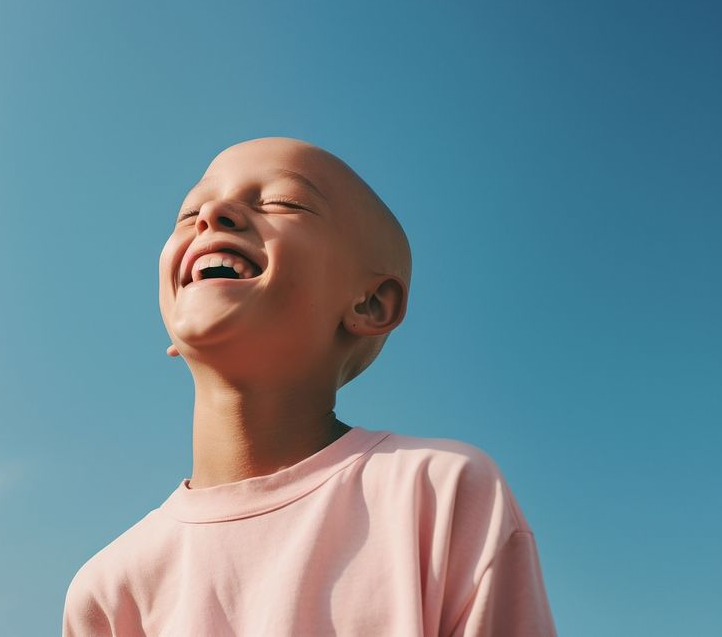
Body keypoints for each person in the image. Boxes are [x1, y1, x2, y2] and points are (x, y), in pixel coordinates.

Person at [63, 137, 557, 636]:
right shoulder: (108, 592)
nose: (212, 214)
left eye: (283, 202)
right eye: (190, 212)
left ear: (371, 304)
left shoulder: (440, 493)